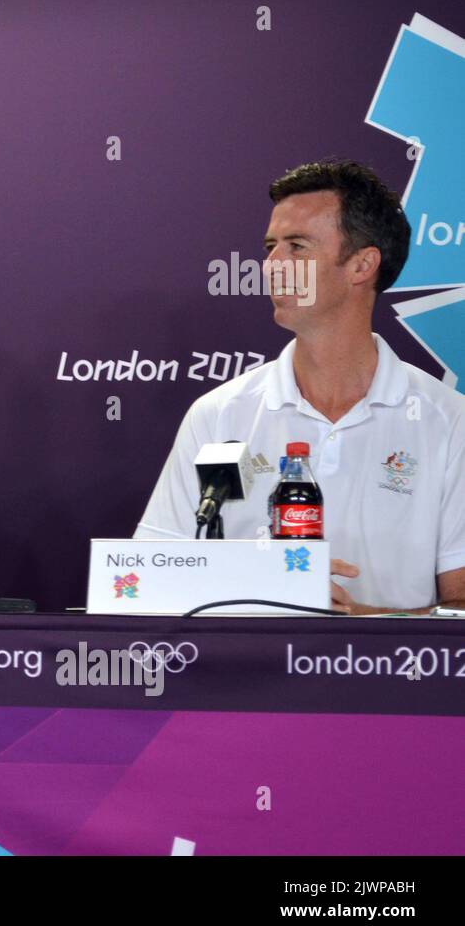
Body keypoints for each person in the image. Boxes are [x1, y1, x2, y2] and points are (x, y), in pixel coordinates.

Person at [135, 160, 465, 614]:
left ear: (362, 265)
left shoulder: (449, 421)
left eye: (297, 247)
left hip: (387, 683)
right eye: (270, 246)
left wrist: (357, 620)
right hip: (243, 681)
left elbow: (461, 606)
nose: (270, 266)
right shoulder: (219, 414)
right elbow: (148, 579)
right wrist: (265, 588)